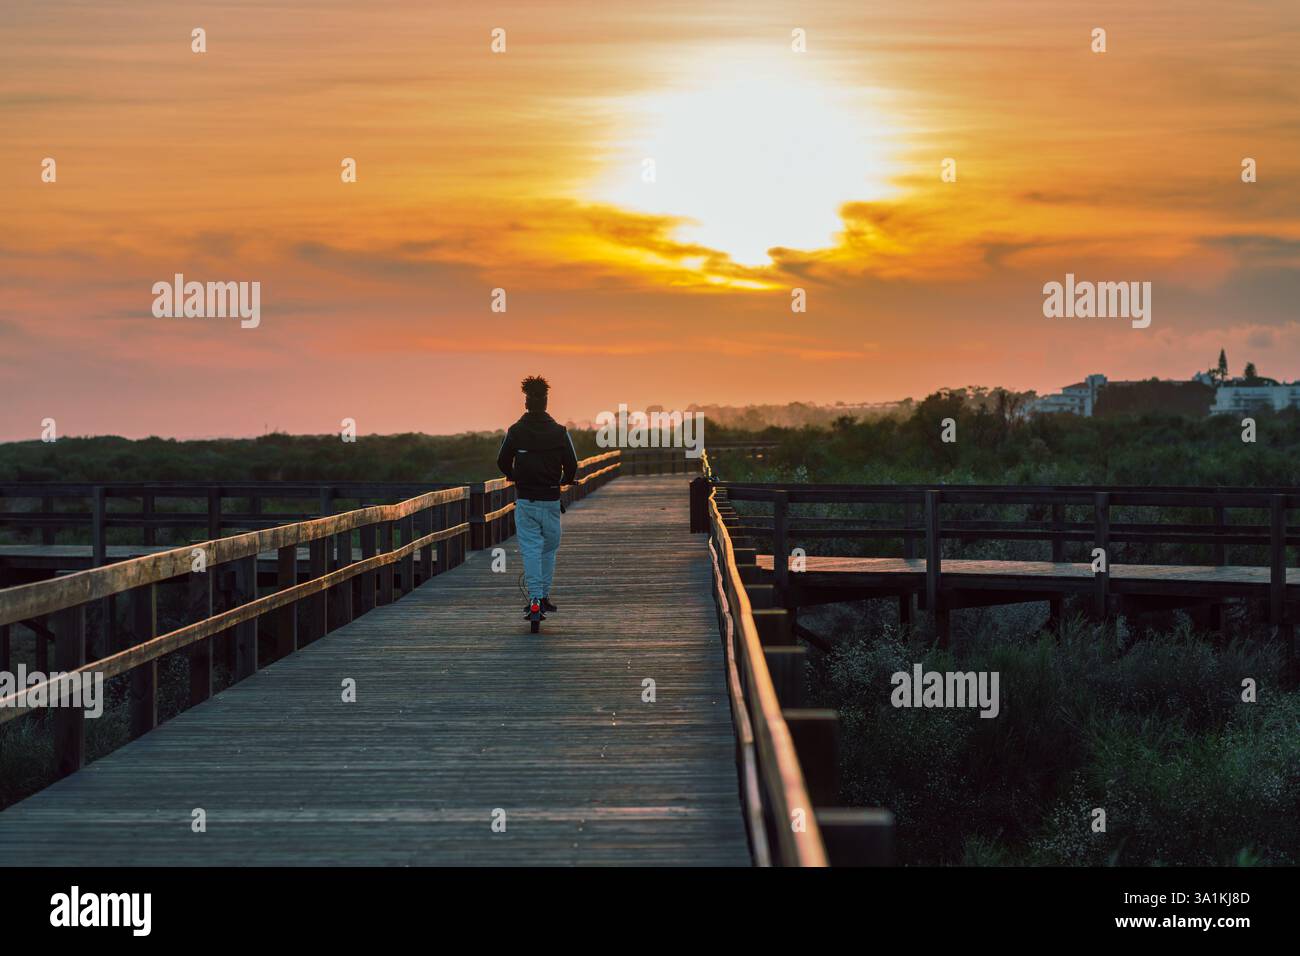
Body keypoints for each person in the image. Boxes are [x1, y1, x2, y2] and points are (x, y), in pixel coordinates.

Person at [496, 376, 578, 623]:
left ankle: (533, 599)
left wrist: (514, 476)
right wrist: (564, 480)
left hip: (526, 500)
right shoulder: (560, 432)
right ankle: (542, 597)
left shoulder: (515, 431)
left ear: (526, 403)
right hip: (551, 500)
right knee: (549, 549)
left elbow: (502, 461)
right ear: (546, 403)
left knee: (530, 549)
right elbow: (572, 465)